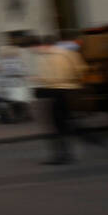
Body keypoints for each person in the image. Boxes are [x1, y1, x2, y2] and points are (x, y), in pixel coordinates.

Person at [33, 35, 89, 164]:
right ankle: (75, 147)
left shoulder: (48, 57)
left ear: (46, 45)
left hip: (55, 92)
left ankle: (63, 155)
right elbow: (82, 70)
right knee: (65, 122)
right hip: (71, 91)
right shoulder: (69, 53)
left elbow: (46, 77)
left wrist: (38, 80)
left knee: (56, 124)